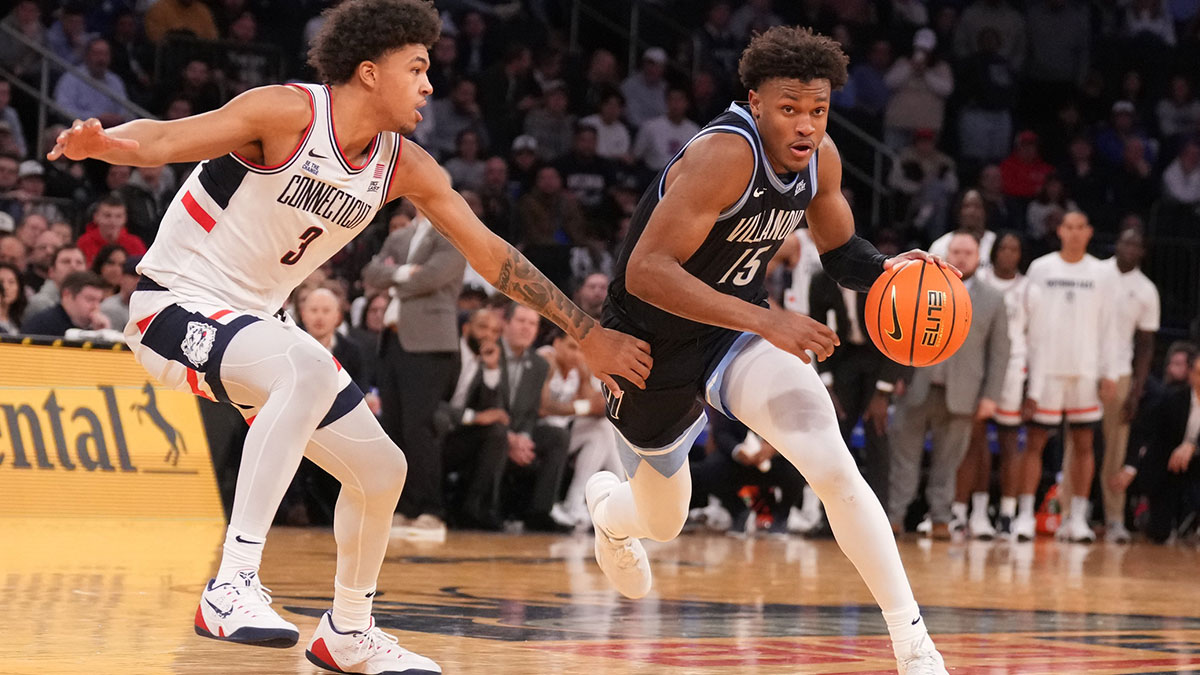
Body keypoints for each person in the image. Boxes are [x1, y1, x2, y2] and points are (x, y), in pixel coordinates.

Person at [46, 2, 650, 673]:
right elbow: (164, 138)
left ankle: (348, 630)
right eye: (416, 68)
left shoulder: (401, 164)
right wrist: (102, 143)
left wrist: (584, 331)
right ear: (368, 71)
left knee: (381, 469)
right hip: (171, 311)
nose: (429, 85)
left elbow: (489, 252)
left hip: (256, 332)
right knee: (301, 362)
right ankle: (231, 583)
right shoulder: (287, 114)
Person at [585, 27, 948, 673]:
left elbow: (840, 253)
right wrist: (769, 317)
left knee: (833, 465)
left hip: (736, 333)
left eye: (819, 110)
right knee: (663, 519)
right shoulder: (725, 155)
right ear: (755, 102)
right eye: (790, 109)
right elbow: (646, 271)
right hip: (648, 341)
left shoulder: (822, 158)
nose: (806, 125)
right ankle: (609, 512)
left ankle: (913, 643)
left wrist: (888, 271)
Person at [887, 231, 1009, 539]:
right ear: (946, 253)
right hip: (916, 385)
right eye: (956, 251)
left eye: (968, 252)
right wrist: (894, 377)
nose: (962, 257)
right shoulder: (921, 286)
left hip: (963, 393)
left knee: (949, 462)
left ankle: (941, 518)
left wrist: (990, 396)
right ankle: (894, 517)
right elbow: (894, 329)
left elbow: (999, 352)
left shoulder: (994, 299)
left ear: (979, 257)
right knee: (903, 459)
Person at [361, 201, 465, 538]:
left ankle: (431, 510)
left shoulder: (453, 232)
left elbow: (435, 276)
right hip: (392, 342)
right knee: (394, 427)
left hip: (431, 345)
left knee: (420, 427)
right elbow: (371, 273)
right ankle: (403, 508)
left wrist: (394, 277)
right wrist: (407, 274)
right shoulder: (401, 234)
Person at [1018, 211, 1119, 543]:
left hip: (1086, 369)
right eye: (1069, 227)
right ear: (1060, 230)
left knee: (1085, 443)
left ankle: (1077, 518)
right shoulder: (1041, 268)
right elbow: (1025, 321)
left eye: (1080, 228)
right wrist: (1028, 371)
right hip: (1046, 370)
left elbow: (1110, 327)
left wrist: (1110, 372)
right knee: (1035, 442)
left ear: (1089, 232)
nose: (1074, 233)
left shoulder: (1103, 273)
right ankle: (1024, 515)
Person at [958, 231, 1030, 538]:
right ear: (995, 251)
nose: (1008, 254)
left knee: (1010, 444)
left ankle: (1007, 514)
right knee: (976, 443)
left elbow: (1035, 338)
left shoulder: (1029, 288)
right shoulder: (981, 283)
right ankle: (976, 512)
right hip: (981, 369)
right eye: (1004, 248)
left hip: (1015, 370)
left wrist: (1032, 387)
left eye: (1015, 248)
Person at [20, 270, 110, 336]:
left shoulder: (93, 327)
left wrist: (102, 333)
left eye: (99, 301)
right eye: (90, 299)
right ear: (67, 295)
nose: (96, 306)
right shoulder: (43, 325)